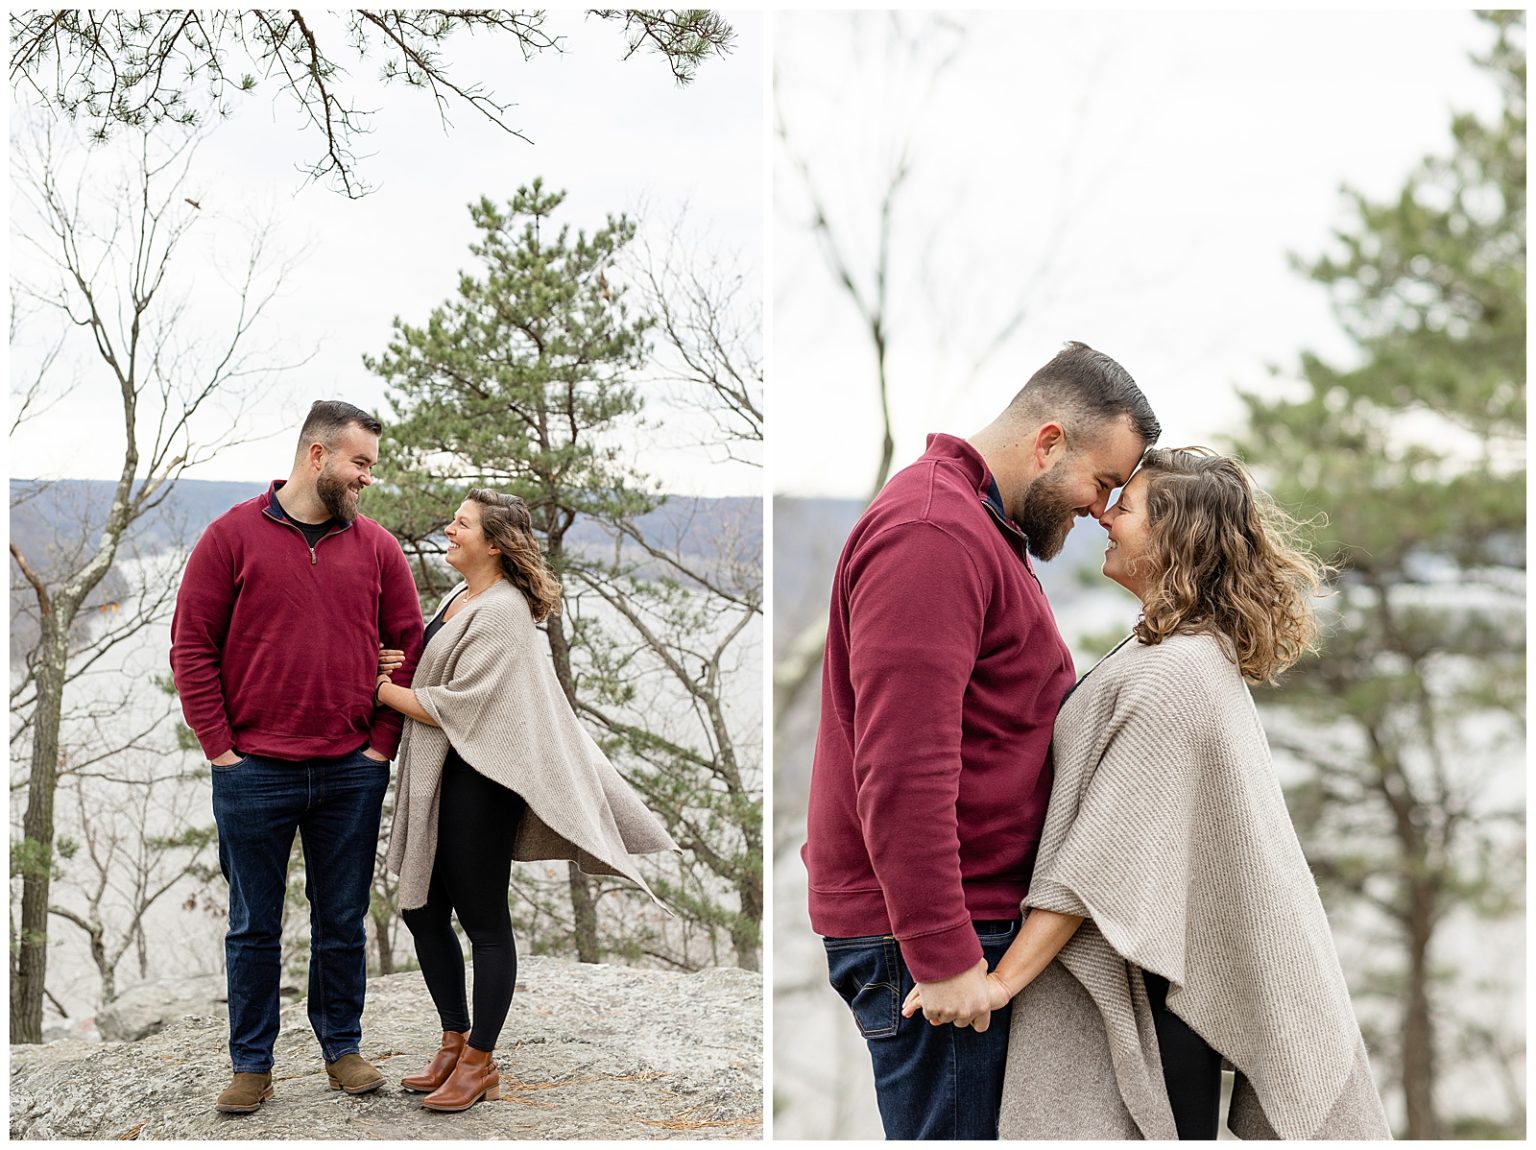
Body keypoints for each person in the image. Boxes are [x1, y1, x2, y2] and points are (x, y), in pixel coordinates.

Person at [903, 447, 1392, 1139]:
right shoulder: (1178, 652)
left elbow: (1093, 870)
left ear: (1175, 535)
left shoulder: (1173, 674)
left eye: (1123, 506)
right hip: (1160, 992)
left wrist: (997, 983)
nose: (1103, 515)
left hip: (1156, 1008)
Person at [802, 341, 1160, 1139]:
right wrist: (944, 955)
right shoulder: (934, 534)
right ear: (1048, 441)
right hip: (942, 935)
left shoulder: (975, 525)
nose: (1101, 510)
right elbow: (902, 766)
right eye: (1102, 483)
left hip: (968, 923)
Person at [377, 488, 679, 1113]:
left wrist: (380, 689)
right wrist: (397, 665)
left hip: (484, 780)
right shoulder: (464, 596)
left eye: (462, 524)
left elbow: (455, 705)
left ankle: (481, 1060)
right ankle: (454, 1038)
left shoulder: (505, 612)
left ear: (493, 543)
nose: (450, 529)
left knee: (483, 919)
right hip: (445, 772)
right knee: (422, 908)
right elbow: (437, 673)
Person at [169, 400, 425, 1114]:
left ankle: (341, 1048)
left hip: (350, 770)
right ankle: (252, 1063)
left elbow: (409, 644)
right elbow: (191, 646)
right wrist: (221, 750)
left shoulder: (377, 548)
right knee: (254, 924)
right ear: (317, 456)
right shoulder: (230, 538)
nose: (368, 477)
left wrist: (380, 746)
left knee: (341, 919)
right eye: (360, 462)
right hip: (253, 772)